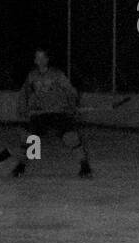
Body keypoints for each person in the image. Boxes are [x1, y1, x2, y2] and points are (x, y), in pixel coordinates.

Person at [12, 49, 92, 178]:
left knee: (71, 138)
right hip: (39, 114)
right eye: (37, 58)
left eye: (42, 58)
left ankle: (85, 167)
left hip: (58, 113)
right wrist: (23, 109)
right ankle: (20, 167)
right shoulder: (32, 76)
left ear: (47, 59)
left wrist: (72, 105)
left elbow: (71, 91)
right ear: (35, 61)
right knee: (29, 139)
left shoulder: (57, 75)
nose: (40, 60)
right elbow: (24, 94)